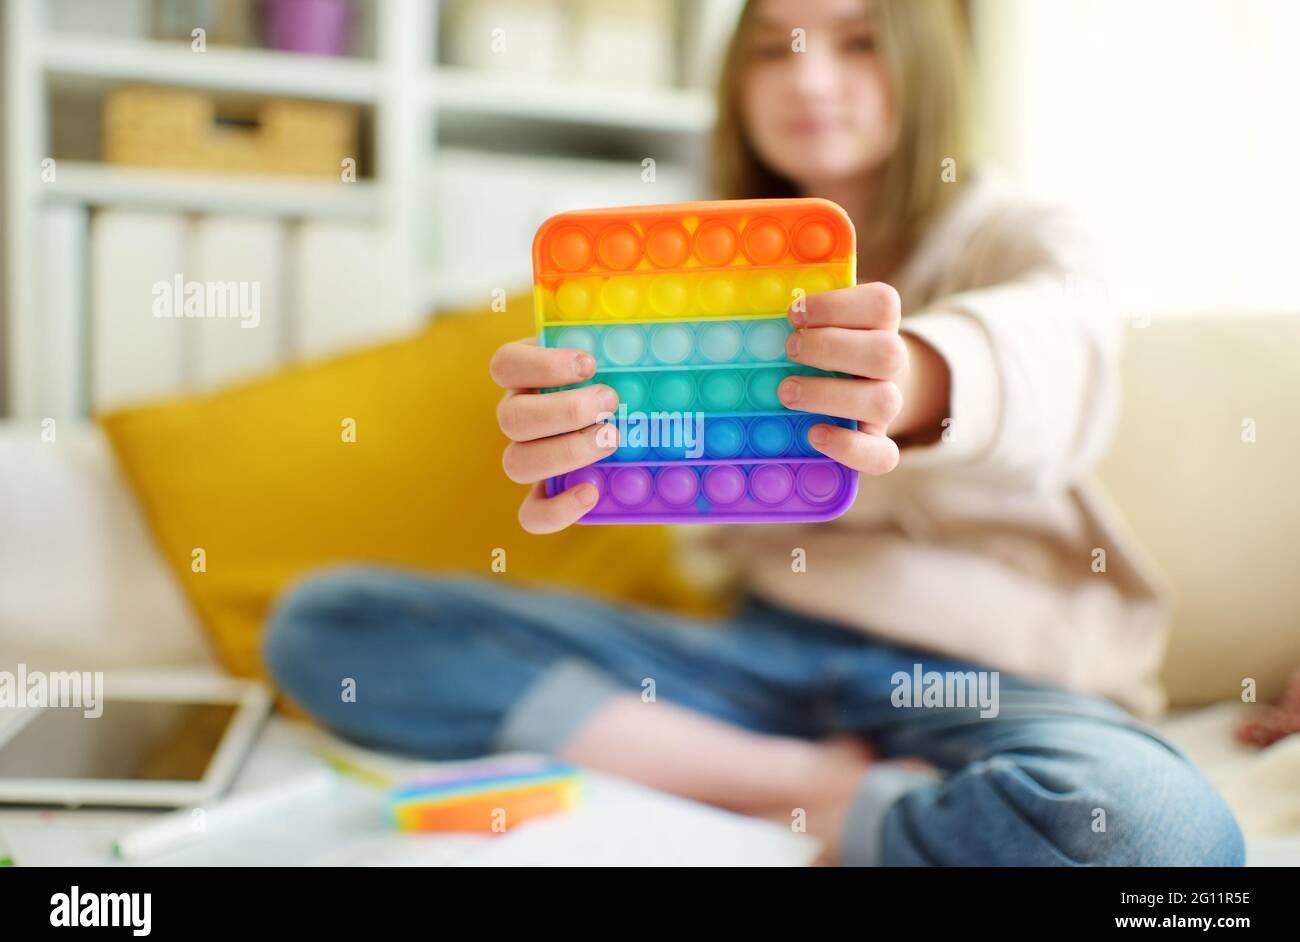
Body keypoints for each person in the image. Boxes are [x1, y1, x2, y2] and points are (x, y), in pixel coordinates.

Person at [264, 0, 1245, 865]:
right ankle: (801, 786)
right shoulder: (690, 270)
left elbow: (1058, 352)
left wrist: (908, 374)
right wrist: (578, 438)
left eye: (858, 42)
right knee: (328, 620)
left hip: (981, 675)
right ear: (737, 82)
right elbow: (638, 446)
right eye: (774, 48)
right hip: (754, 656)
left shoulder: (1015, 232)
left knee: (1159, 836)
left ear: (927, 63)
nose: (810, 78)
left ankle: (792, 794)